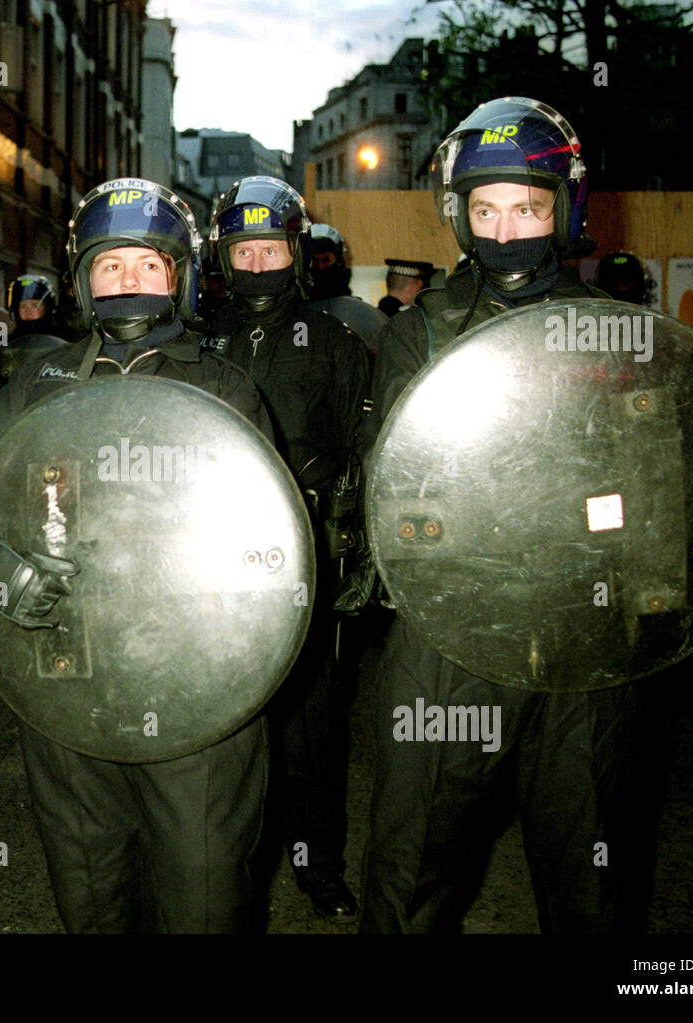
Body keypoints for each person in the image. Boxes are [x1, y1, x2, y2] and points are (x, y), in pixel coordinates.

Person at [0, 177, 273, 933]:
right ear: (83, 279)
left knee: (205, 901)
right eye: (112, 267)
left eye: (148, 265)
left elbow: (269, 548)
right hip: (64, 681)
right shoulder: (41, 381)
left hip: (198, 694)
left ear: (179, 277)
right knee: (91, 901)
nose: (129, 282)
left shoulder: (226, 387)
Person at [360, 97, 638, 934]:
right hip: (453, 616)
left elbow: (647, 483)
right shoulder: (423, 332)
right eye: (485, 208)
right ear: (458, 215)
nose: (506, 226)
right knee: (416, 854)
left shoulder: (618, 333)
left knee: (589, 853)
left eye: (527, 207)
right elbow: (391, 471)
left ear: (564, 211)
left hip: (583, 620)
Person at [206, 176, 370, 922]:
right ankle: (223, 863)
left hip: (308, 563)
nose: (259, 263)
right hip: (212, 563)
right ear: (224, 256)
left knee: (311, 728)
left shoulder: (336, 341)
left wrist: (356, 546)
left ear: (296, 254)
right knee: (225, 723)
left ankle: (318, 862)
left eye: (272, 248)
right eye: (245, 250)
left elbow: (363, 450)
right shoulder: (201, 340)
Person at [308, 222, 389, 367]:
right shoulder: (293, 314)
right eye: (314, 261)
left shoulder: (362, 314)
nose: (320, 267)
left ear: (338, 261)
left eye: (326, 260)